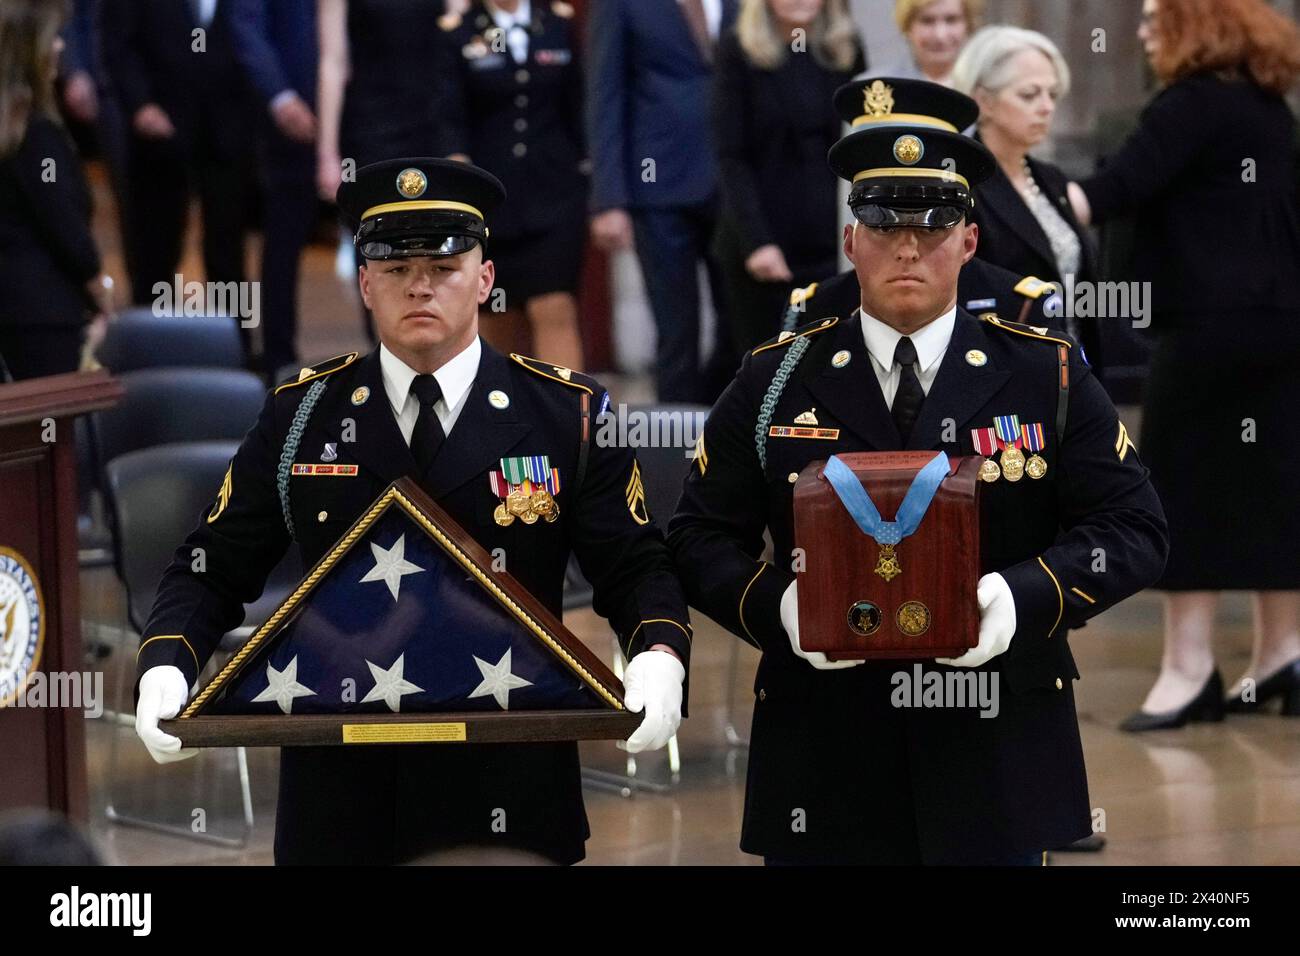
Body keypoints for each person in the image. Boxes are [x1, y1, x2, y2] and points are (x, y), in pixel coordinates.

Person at [132, 158, 691, 865]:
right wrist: (165, 665)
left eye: (445, 263)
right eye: (395, 268)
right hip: (340, 789)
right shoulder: (303, 415)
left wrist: (659, 656)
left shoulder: (567, 415)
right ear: (365, 283)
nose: (419, 284)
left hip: (507, 785)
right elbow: (210, 566)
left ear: (485, 279)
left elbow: (635, 566)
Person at [667, 78, 1168, 864]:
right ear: (850, 240)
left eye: (935, 223)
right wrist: (781, 608)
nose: (908, 244)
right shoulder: (775, 378)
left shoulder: (1046, 373)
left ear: (970, 240)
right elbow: (698, 535)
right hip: (826, 745)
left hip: (996, 735)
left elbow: (1134, 530)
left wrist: (1018, 596)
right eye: (882, 219)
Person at [1069, 0, 1300, 729]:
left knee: (1177, 485)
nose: (1140, 32)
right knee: (1272, 485)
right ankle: (1280, 655)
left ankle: (1188, 669)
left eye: (1151, 19)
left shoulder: (1189, 105)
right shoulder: (1269, 107)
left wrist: (1016, 195)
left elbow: (1111, 190)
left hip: (1208, 327)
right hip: (1281, 323)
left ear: (1190, 26)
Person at [586, 0, 738, 404]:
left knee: (740, 323)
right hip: (658, 186)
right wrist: (610, 198)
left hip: (732, 182)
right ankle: (677, 451)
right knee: (676, 331)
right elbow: (605, 95)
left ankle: (731, 434)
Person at [434, 0, 587, 371]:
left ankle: (569, 420)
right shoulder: (457, 31)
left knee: (553, 303)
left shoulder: (557, 23)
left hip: (555, 194)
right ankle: (503, 419)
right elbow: (447, 116)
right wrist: (457, 166)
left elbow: (580, 108)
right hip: (491, 199)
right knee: (495, 314)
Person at [713, 0, 864, 354]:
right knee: (769, 366)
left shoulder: (844, 48)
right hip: (766, 246)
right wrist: (758, 242)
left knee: (835, 362)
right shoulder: (739, 51)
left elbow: (859, 144)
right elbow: (732, 157)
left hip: (833, 241)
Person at [101, 0, 254, 327]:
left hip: (229, 127)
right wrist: (140, 104)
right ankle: (153, 339)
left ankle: (236, 342)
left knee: (227, 248)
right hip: (158, 127)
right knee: (155, 247)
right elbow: (117, 43)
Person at [952, 26, 1097, 353]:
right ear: (983, 101)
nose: (1046, 107)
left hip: (1069, 364)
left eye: (1052, 94)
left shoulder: (1050, 179)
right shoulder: (961, 183)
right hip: (1001, 365)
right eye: (1030, 95)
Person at [0, 0, 113, 380]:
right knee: (56, 435)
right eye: (54, 38)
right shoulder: (36, 135)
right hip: (44, 321)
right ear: (27, 49)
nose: (61, 47)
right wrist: (100, 292)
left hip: (15, 314)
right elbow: (65, 228)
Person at [229, 0, 319, 379]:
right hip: (287, 116)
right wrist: (278, 95)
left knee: (376, 241)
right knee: (282, 244)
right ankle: (279, 364)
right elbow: (247, 26)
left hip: (365, 115)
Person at [884, 0, 981, 86]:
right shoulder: (882, 86)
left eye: (951, 20)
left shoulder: (989, 86)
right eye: (927, 21)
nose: (940, 36)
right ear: (907, 27)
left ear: (968, 24)